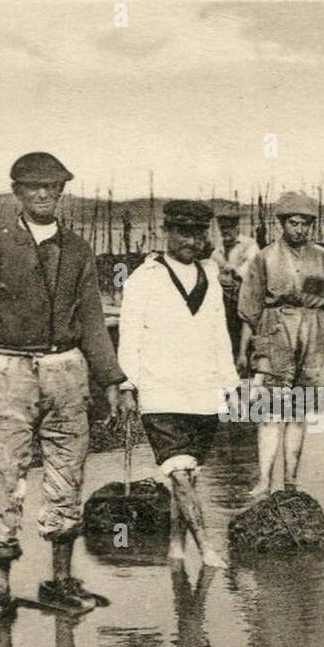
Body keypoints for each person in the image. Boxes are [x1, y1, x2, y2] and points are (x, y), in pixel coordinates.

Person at [0, 151, 133, 626]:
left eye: (52, 186)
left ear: (62, 191)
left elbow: (92, 319)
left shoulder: (78, 250)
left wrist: (112, 378)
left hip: (66, 370)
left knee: (67, 471)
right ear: (17, 193)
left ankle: (60, 581)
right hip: (5, 368)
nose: (43, 194)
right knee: (1, 470)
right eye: (33, 187)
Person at [117, 200, 239, 567]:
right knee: (179, 472)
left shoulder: (210, 278)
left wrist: (230, 383)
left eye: (198, 233)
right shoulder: (144, 279)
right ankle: (207, 548)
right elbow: (129, 335)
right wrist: (126, 385)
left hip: (203, 393)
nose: (191, 240)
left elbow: (220, 334)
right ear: (165, 232)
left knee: (188, 476)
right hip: (161, 393)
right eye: (183, 232)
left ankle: (175, 546)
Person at [237, 191, 324, 497]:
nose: (300, 229)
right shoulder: (263, 259)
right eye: (294, 222)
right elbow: (249, 311)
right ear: (281, 223)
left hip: (314, 333)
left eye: (306, 223)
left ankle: (290, 480)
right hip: (274, 330)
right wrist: (242, 352)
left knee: (299, 410)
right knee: (268, 410)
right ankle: (264, 480)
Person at [211, 209, 260, 354]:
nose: (225, 231)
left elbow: (252, 269)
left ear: (236, 227)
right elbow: (212, 271)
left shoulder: (249, 245)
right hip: (226, 303)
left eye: (228, 227)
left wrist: (233, 272)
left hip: (246, 299)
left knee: (247, 339)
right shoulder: (217, 251)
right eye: (222, 228)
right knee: (227, 338)